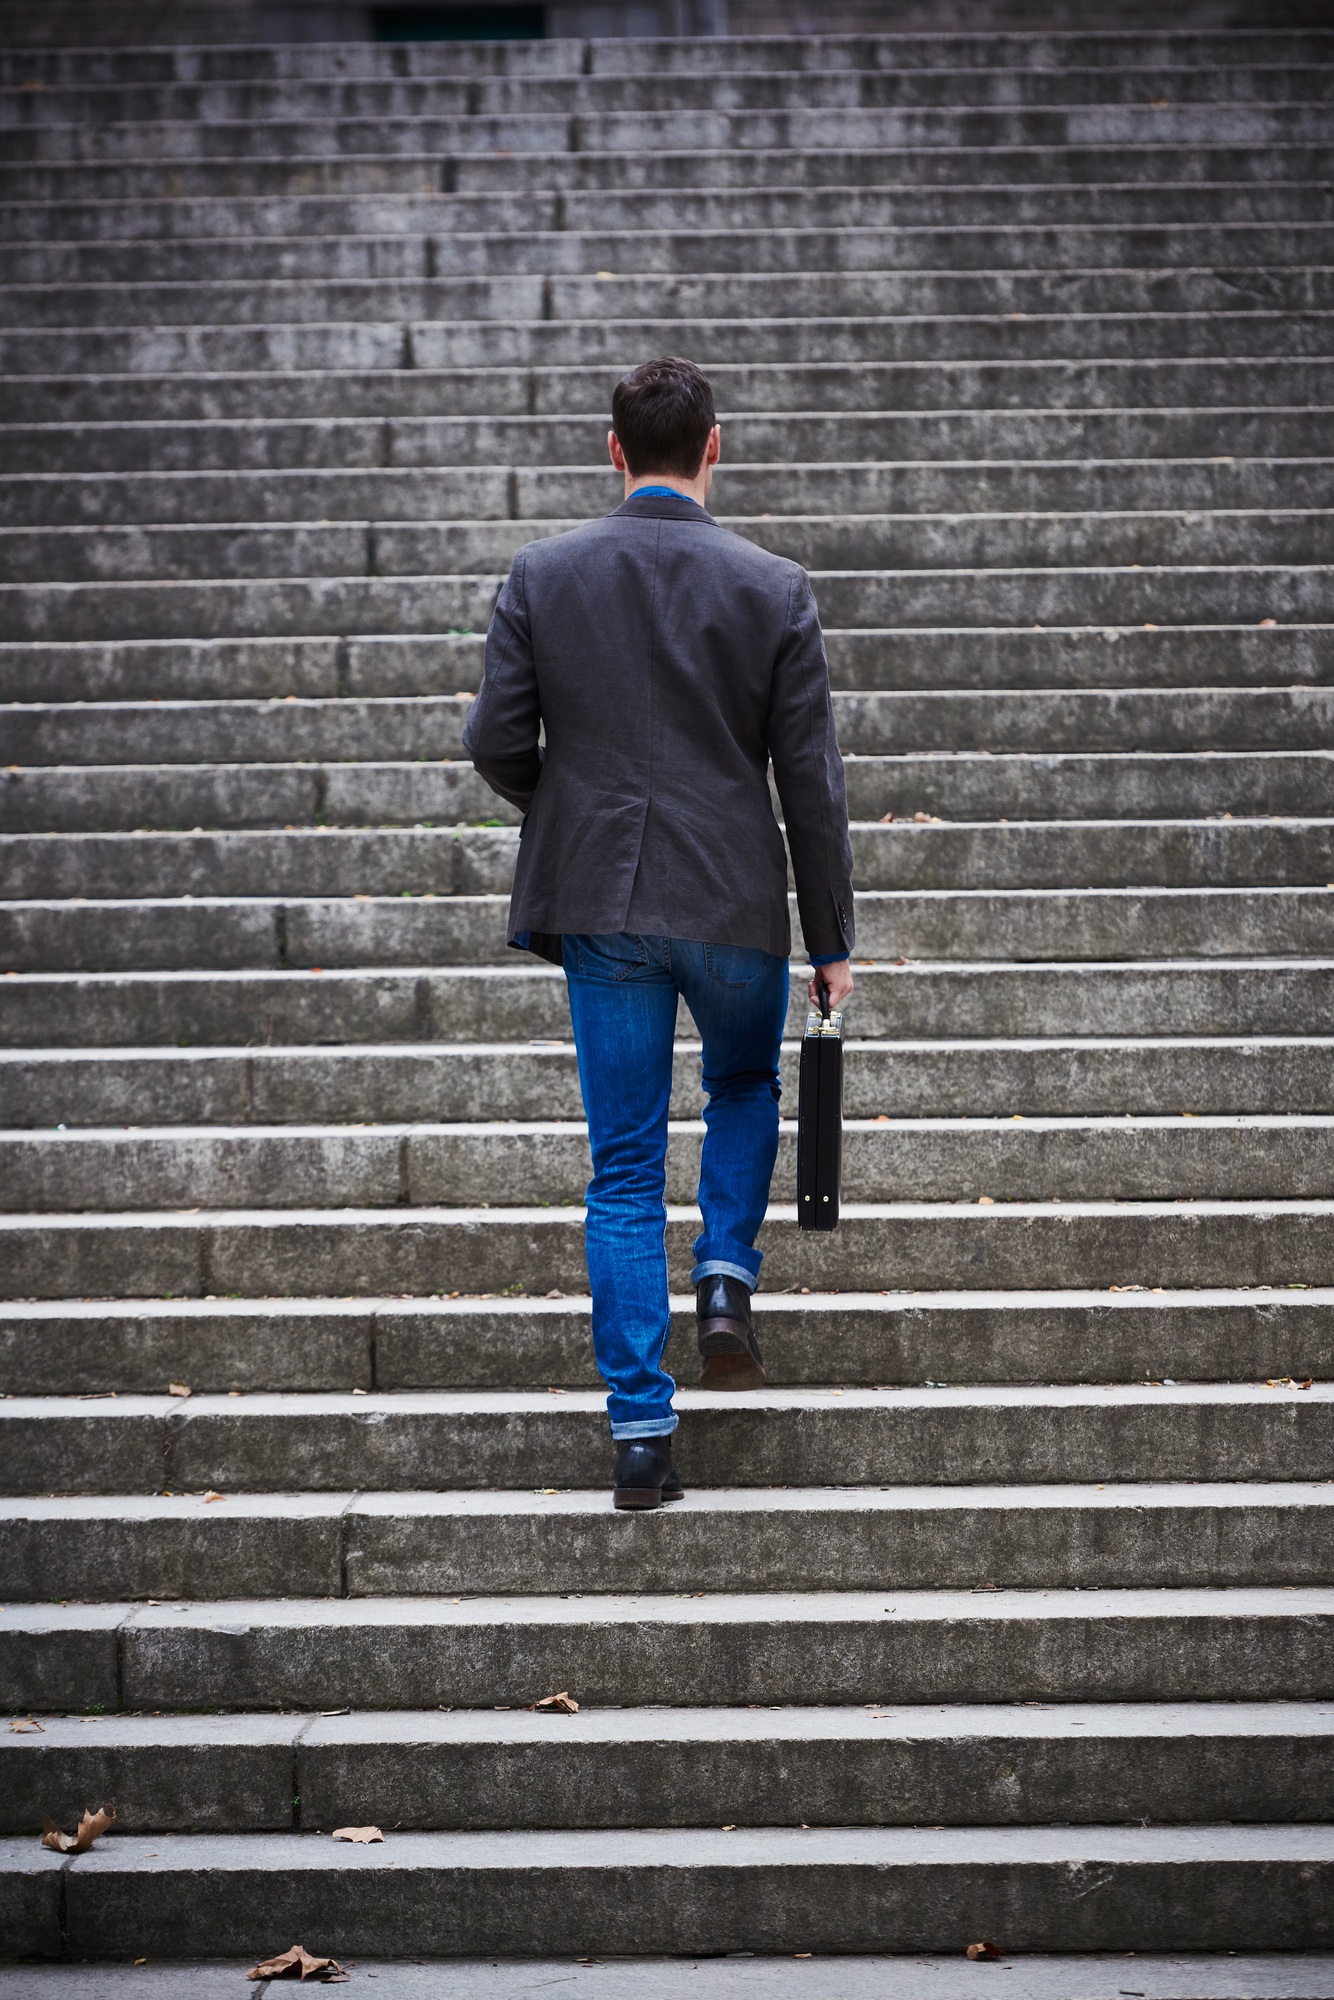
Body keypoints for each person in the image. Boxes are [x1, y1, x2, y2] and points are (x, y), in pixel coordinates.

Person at [463, 355, 855, 1511]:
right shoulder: (772, 587)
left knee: (622, 1163)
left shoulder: (543, 574)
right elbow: (811, 786)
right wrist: (829, 934)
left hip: (608, 904)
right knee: (743, 1084)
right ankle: (726, 1272)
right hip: (733, 898)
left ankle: (640, 1435)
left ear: (612, 448)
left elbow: (494, 739)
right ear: (715, 448)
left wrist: (571, 804)